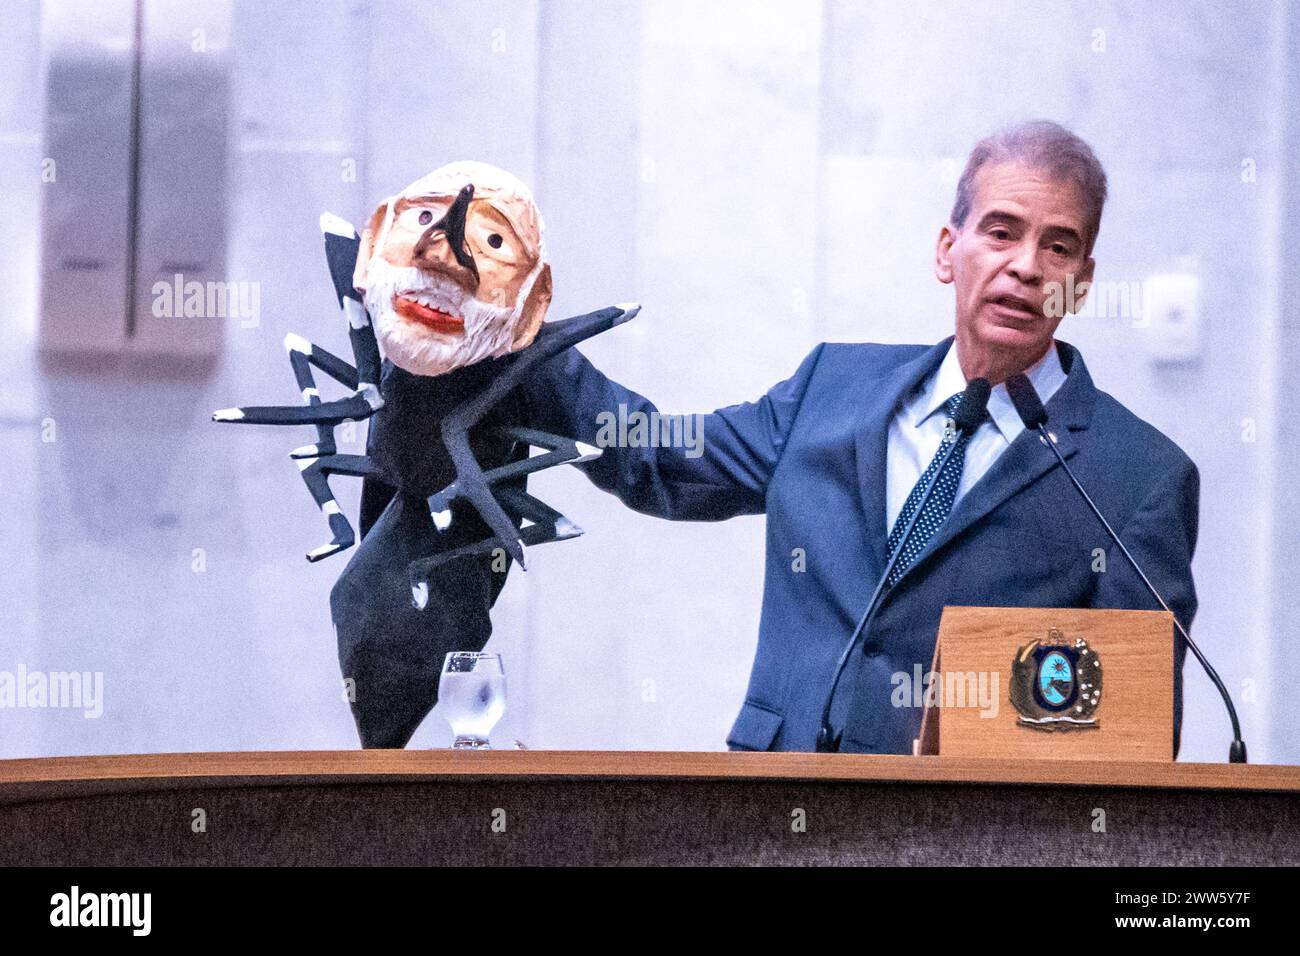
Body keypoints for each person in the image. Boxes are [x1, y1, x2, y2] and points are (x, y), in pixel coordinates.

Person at [514, 119, 1199, 757]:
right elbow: (657, 456)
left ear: (1080, 286)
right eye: (1000, 231)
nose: (1026, 266)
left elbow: (1129, 724)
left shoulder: (1137, 477)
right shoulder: (829, 389)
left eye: (1059, 246)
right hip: (775, 815)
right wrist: (515, 340)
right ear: (946, 251)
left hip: (970, 843)